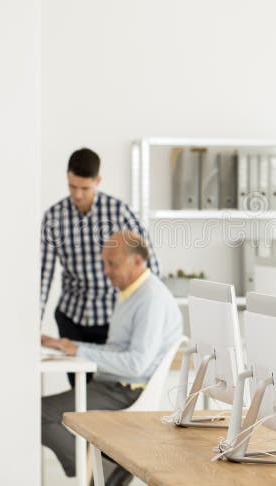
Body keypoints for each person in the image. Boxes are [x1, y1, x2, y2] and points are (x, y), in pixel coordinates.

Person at [41, 231, 182, 484]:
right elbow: (118, 350)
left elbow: (136, 363)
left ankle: (105, 470)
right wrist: (69, 345)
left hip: (125, 390)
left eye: (112, 263)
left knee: (39, 413)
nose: (105, 270)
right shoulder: (131, 292)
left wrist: (80, 351)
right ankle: (106, 467)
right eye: (104, 262)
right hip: (111, 385)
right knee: (41, 411)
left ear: (137, 261)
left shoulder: (151, 299)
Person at [40, 147, 159, 354]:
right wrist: (33, 325)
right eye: (72, 186)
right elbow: (43, 275)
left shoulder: (118, 211)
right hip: (71, 316)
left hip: (110, 317)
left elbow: (148, 262)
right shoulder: (54, 216)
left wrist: (150, 314)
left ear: (98, 181)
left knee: (105, 383)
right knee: (78, 384)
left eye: (84, 188)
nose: (77, 194)